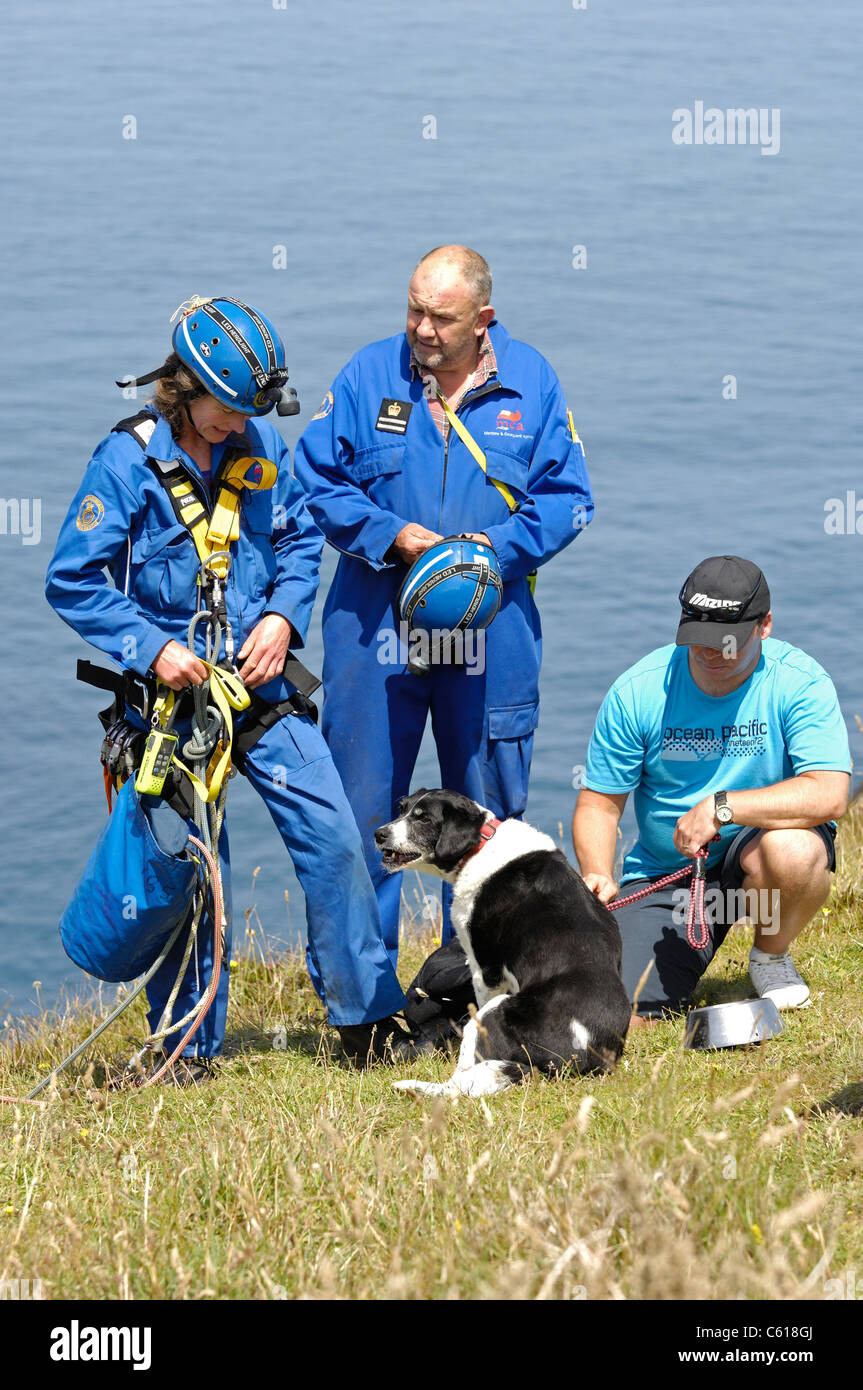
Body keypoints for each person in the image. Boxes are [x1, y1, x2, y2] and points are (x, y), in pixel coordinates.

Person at [46, 295, 410, 1080]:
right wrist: (151, 648)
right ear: (182, 387)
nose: (239, 425)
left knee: (337, 841)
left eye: (249, 412)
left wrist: (282, 616)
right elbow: (72, 580)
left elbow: (299, 534)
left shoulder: (259, 438)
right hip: (175, 707)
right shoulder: (125, 463)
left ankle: (368, 1024)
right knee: (195, 875)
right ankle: (186, 1051)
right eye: (226, 410)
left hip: (261, 692)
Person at [294, 245, 593, 960]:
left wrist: (485, 555)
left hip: (490, 627)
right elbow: (314, 482)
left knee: (485, 820)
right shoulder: (368, 376)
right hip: (375, 627)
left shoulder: (533, 384)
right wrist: (390, 533)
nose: (422, 329)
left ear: (484, 319)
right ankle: (363, 1010)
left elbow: (569, 500)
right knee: (363, 817)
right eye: (413, 309)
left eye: (442, 317)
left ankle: (469, 994)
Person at [571, 555, 852, 1022]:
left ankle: (771, 955)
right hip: (672, 873)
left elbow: (830, 794)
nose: (710, 654)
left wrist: (722, 807)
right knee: (617, 1010)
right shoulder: (637, 691)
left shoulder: (800, 682)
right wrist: (598, 871)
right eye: (697, 642)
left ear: (764, 626)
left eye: (727, 643)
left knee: (796, 851)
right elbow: (600, 805)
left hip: (760, 846)